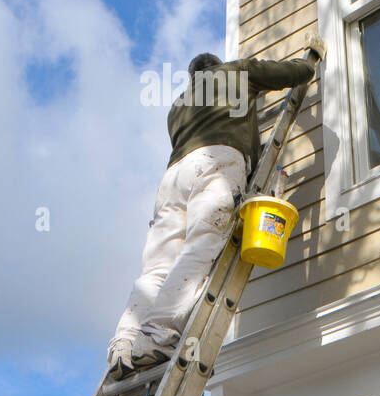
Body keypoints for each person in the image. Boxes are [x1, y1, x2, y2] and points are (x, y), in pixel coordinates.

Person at [107, 37, 327, 378]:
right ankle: (157, 338)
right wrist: (309, 64)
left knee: (156, 266)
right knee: (198, 249)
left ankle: (124, 343)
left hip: (173, 177)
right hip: (217, 166)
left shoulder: (178, 107)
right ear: (216, 66)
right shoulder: (238, 72)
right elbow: (289, 73)